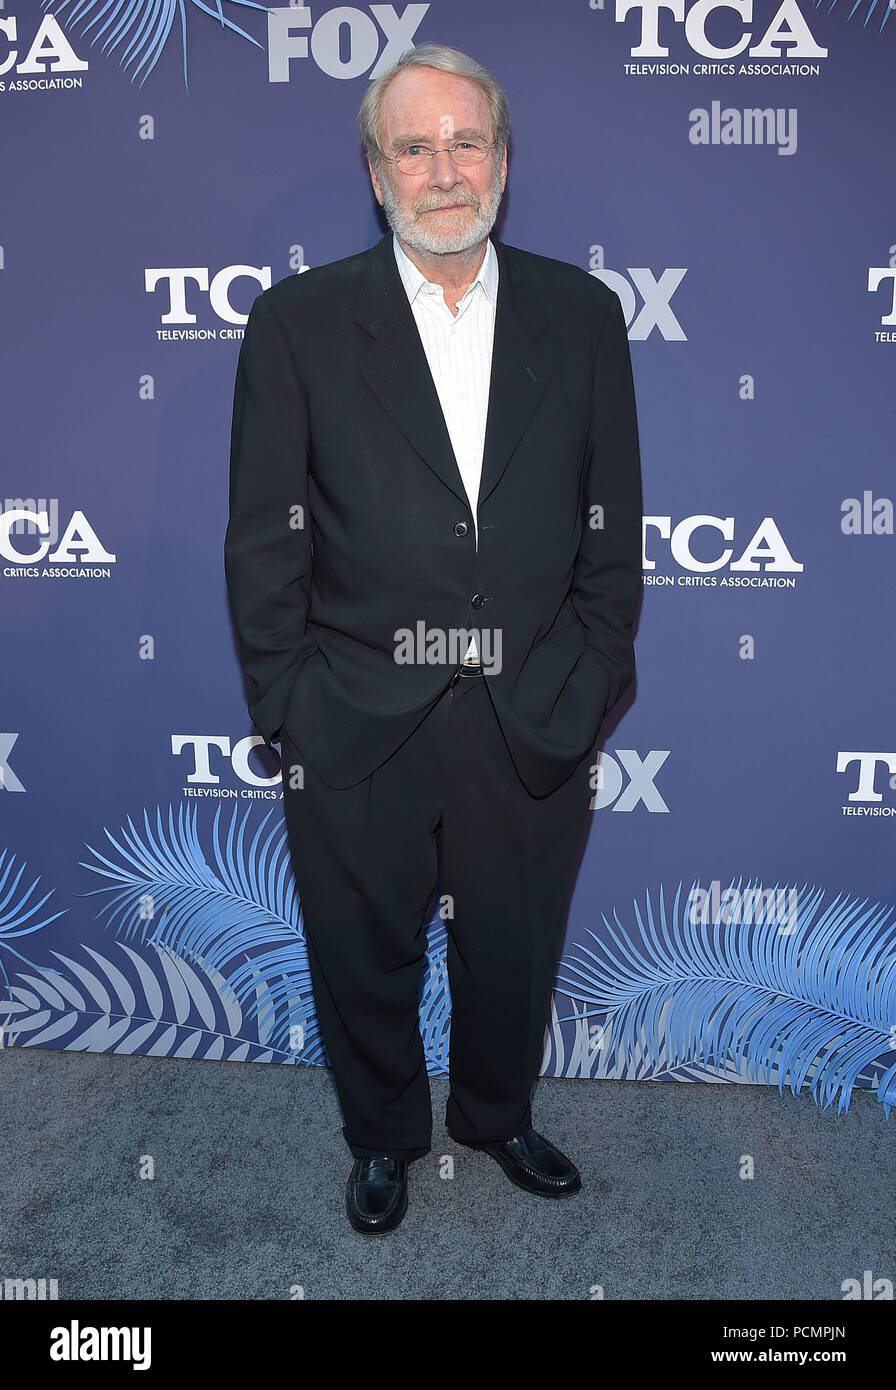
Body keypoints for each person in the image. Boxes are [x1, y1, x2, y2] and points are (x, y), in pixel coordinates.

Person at [224, 42, 643, 1235]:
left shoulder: (580, 313)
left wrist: (593, 670)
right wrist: (287, 706)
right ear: (376, 171)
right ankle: (383, 1135)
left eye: (467, 142)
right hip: (353, 716)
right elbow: (263, 543)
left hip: (533, 711)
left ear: (503, 162)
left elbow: (613, 528)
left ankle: (495, 1114)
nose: (443, 169)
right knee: (362, 952)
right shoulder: (297, 324)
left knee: (511, 947)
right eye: (416, 145)